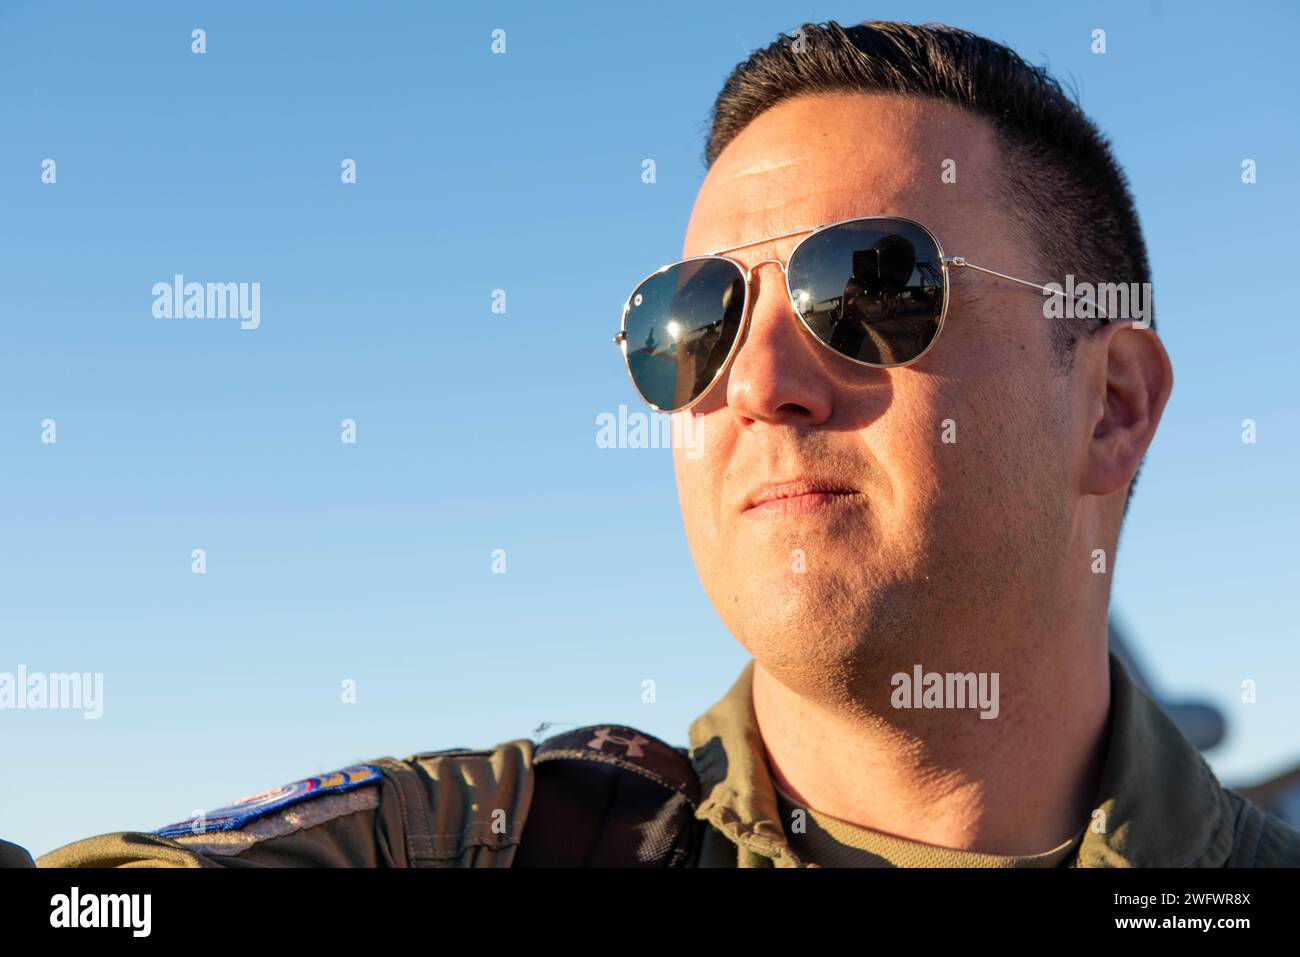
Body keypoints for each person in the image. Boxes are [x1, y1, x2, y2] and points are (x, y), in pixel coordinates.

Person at [20, 18, 1300, 869]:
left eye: (865, 288)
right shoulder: (480, 846)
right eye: (690, 322)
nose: (753, 383)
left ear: (1113, 405)